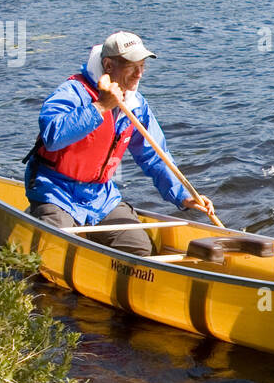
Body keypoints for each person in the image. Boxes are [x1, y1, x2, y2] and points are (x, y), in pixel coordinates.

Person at [23, 31, 214, 256]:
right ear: (108, 65)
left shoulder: (135, 105)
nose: (139, 74)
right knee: (57, 248)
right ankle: (38, 218)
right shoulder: (72, 92)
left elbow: (154, 155)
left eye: (143, 66)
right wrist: (101, 106)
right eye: (132, 66)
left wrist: (183, 195)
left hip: (100, 197)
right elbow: (53, 135)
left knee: (140, 249)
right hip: (55, 191)